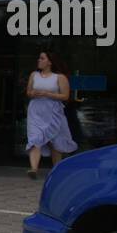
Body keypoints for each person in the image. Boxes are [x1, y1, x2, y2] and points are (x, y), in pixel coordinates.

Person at [25, 50, 77, 179]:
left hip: (53, 112)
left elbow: (65, 96)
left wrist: (49, 94)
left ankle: (56, 170)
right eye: (39, 58)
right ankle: (33, 169)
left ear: (50, 62)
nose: (39, 60)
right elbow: (28, 92)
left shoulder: (59, 77)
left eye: (42, 58)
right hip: (36, 111)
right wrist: (33, 94)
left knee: (55, 141)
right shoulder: (34, 75)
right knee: (35, 138)